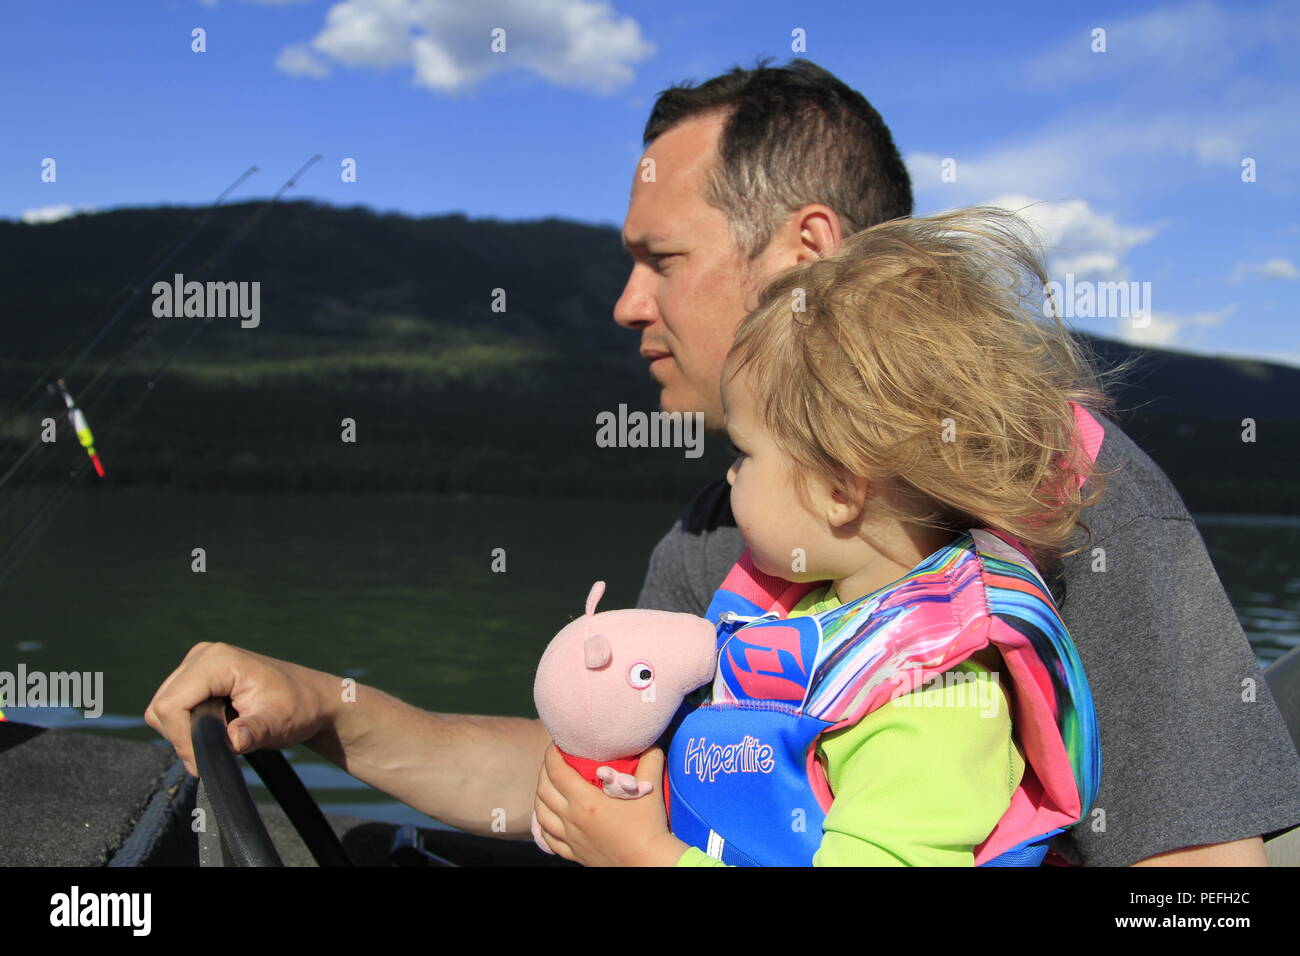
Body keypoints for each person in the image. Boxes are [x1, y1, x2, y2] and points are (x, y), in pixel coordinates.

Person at [145, 57, 1299, 866]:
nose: (623, 303)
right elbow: (590, 782)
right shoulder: (718, 534)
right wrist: (329, 710)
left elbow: (1198, 872)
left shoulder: (1063, 489)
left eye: (661, 257)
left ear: (805, 253)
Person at [537, 207, 1106, 866]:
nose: (728, 474)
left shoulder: (936, 701)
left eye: (745, 455)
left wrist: (646, 857)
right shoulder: (808, 612)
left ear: (839, 492)